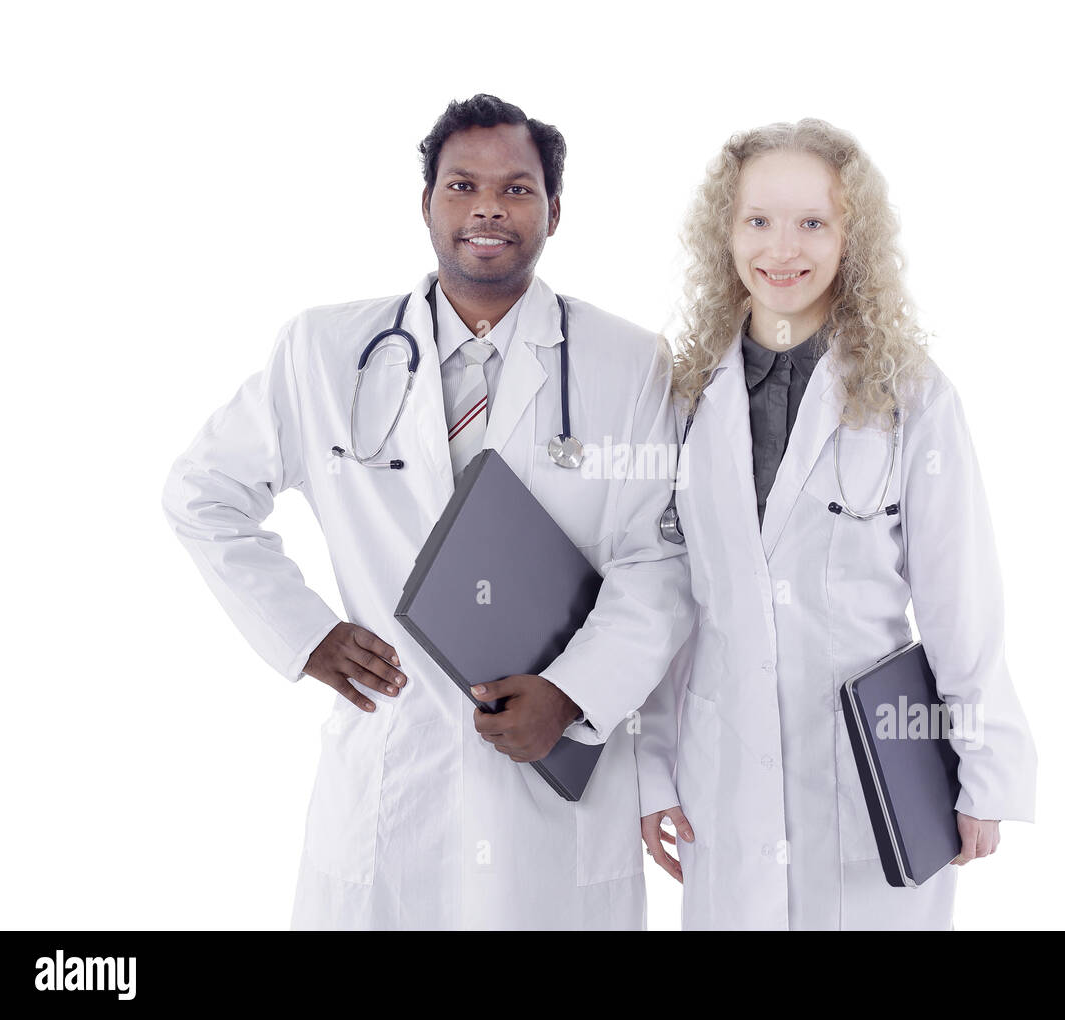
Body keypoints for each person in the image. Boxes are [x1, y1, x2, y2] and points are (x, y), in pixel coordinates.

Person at [161, 94, 691, 930]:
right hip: (391, 768)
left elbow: (656, 564)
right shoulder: (324, 351)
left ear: (555, 209)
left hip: (550, 781)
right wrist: (307, 635)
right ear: (427, 204)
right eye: (462, 186)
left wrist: (573, 693)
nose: (487, 206)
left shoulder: (628, 364)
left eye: (517, 189)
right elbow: (203, 495)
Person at [634, 119, 1037, 930]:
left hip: (875, 775)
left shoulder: (911, 394)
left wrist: (982, 770)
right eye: (758, 220)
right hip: (724, 776)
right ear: (726, 230)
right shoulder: (681, 397)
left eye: (813, 222)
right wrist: (650, 769)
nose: (783, 248)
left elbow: (959, 598)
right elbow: (661, 595)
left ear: (852, 237)